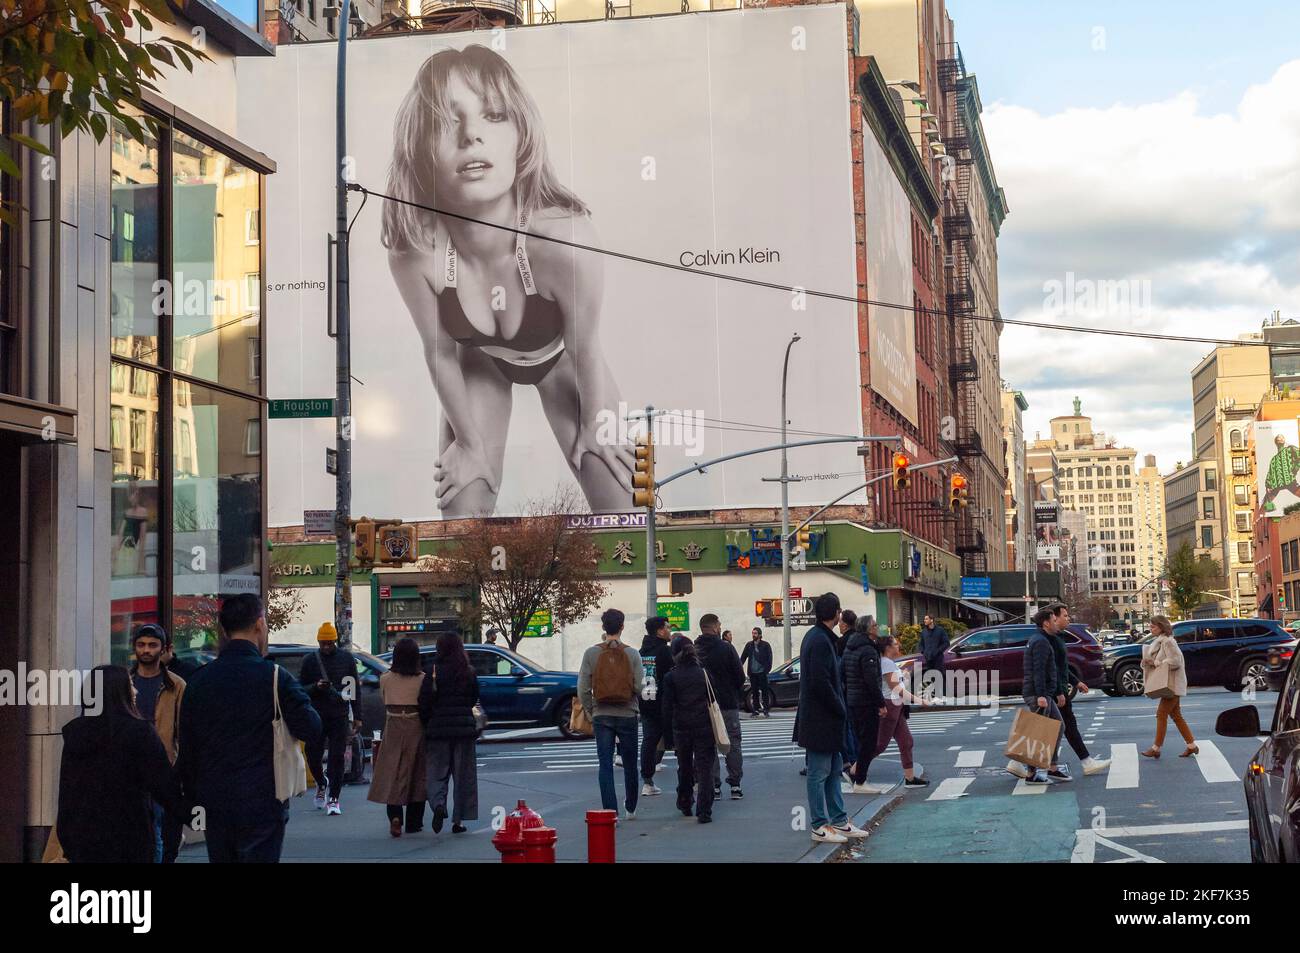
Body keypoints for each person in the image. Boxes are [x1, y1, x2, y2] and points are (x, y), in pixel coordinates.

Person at [384, 44, 635, 519]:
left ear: (522, 134)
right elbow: (438, 352)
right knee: (462, 510)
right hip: (482, 365)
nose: (470, 135)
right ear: (418, 145)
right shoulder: (414, 250)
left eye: (494, 115)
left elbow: (586, 349)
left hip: (565, 362)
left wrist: (598, 425)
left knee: (626, 510)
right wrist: (472, 445)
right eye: (445, 121)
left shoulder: (565, 240)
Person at [177, 594, 321, 863]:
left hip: (215, 800)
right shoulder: (275, 677)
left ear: (224, 630)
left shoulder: (199, 681)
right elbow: (311, 728)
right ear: (259, 624)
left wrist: (190, 798)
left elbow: (187, 747)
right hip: (263, 799)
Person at [56, 665, 185, 863]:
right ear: (118, 692)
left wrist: (68, 841)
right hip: (130, 840)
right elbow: (165, 787)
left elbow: (67, 792)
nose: (136, 691)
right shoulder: (140, 733)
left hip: (84, 842)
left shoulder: (76, 734)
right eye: (131, 685)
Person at [793, 592, 868, 844]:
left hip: (824, 717)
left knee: (834, 769)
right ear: (836, 614)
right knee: (819, 771)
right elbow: (819, 682)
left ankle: (839, 820)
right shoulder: (820, 641)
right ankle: (819, 824)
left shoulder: (818, 638)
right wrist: (840, 707)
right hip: (820, 718)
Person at [578, 608, 644, 820]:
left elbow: (583, 688)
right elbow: (638, 686)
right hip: (627, 713)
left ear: (603, 626)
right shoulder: (632, 654)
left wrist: (591, 709)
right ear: (622, 626)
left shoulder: (591, 653)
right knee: (631, 762)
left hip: (601, 713)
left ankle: (610, 811)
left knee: (605, 763)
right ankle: (631, 807)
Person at [130, 623, 187, 862]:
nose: (146, 650)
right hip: (131, 772)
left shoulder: (176, 685)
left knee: (168, 839)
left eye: (152, 645)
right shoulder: (124, 682)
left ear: (163, 649)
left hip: (166, 770)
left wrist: (180, 770)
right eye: (141, 645)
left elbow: (183, 731)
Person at [419, 631, 481, 833]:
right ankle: (459, 820)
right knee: (464, 776)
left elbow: (424, 702)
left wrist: (428, 722)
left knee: (436, 773)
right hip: (463, 730)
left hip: (438, 731)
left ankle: (438, 805)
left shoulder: (432, 671)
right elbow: (473, 698)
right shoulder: (468, 672)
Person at [368, 637, 428, 837]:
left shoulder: (385, 678)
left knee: (392, 773)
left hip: (393, 725)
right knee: (416, 774)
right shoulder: (423, 679)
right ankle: (414, 822)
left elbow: (384, 699)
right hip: (415, 725)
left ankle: (395, 816)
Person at [299, 621, 360, 816]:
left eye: (329, 643)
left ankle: (334, 798)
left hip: (338, 715)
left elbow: (354, 690)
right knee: (312, 755)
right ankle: (321, 782)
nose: (326, 647)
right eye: (323, 643)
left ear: (335, 641)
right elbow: (301, 689)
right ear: (318, 642)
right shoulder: (309, 661)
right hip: (315, 715)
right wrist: (315, 687)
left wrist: (358, 716)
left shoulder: (346, 660)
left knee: (336, 757)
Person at [1011, 604, 1068, 785]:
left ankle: (1051, 767)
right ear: (1045, 623)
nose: (1056, 623)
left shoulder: (1039, 639)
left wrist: (1054, 692)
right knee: (1037, 733)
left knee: (1057, 727)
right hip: (1038, 694)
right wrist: (1042, 695)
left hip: (1042, 693)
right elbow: (1039, 670)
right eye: (1053, 620)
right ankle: (1031, 773)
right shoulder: (1041, 642)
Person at [660, 641, 716, 823]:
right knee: (705, 767)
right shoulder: (703, 674)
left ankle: (685, 801)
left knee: (684, 766)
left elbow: (666, 708)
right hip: (704, 724)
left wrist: (667, 736)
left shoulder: (671, 677)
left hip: (681, 726)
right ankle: (704, 809)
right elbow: (714, 697)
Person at [695, 613, 745, 800]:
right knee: (732, 744)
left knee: (708, 745)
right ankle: (735, 784)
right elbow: (740, 676)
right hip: (727, 703)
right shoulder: (727, 649)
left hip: (703, 705)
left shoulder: (694, 649)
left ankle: (713, 785)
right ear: (715, 627)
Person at [1141, 615, 1198, 759]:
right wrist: (1149, 661)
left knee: (1161, 714)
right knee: (1176, 716)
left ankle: (1156, 748)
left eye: (1153, 626)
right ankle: (1192, 746)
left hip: (1172, 684)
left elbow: (1175, 661)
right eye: (1150, 626)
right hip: (1170, 683)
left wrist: (1156, 663)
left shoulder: (1168, 642)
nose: (1150, 628)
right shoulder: (1159, 642)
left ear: (1161, 627)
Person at [877, 634, 930, 787]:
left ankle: (910, 778)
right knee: (880, 745)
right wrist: (919, 700)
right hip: (890, 706)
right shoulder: (886, 663)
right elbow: (896, 689)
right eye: (895, 643)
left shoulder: (890, 663)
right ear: (888, 647)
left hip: (897, 707)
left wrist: (905, 675)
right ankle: (855, 771)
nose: (898, 645)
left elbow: (897, 685)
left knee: (906, 741)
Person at [843, 616, 888, 794]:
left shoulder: (849, 647)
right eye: (875, 625)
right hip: (866, 702)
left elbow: (844, 674)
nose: (877, 627)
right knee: (869, 743)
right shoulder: (868, 650)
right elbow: (871, 680)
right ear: (868, 630)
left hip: (852, 700)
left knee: (861, 741)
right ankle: (860, 780)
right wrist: (881, 703)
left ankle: (855, 772)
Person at [638, 615, 675, 797]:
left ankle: (647, 781)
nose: (669, 630)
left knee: (649, 741)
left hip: (645, 701)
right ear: (660, 631)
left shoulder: (641, 651)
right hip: (664, 703)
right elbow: (672, 676)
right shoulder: (664, 651)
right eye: (667, 627)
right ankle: (691, 780)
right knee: (678, 741)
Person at [740, 626, 774, 718]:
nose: (753, 635)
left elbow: (769, 658)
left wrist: (767, 670)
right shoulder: (749, 645)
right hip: (753, 672)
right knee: (754, 691)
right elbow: (743, 657)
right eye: (752, 633)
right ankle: (755, 710)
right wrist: (739, 667)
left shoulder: (765, 645)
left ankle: (766, 709)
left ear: (759, 635)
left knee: (765, 691)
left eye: (755, 633)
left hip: (762, 672)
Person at [918, 615, 950, 697]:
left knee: (940, 676)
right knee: (931, 677)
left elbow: (946, 643)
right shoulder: (924, 632)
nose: (924, 620)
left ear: (931, 620)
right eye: (924, 619)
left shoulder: (940, 630)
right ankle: (934, 696)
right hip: (928, 659)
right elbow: (921, 644)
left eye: (926, 619)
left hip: (938, 659)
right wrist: (924, 652)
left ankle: (942, 696)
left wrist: (938, 651)